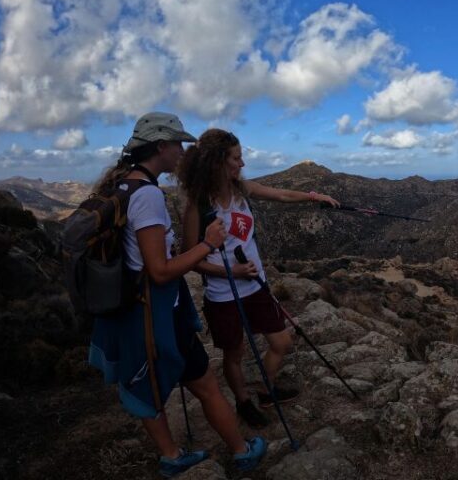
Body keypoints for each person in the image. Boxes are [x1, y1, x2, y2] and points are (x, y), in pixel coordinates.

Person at [87, 113, 267, 478]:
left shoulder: (124, 185)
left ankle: (171, 455)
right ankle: (242, 451)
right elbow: (160, 270)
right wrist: (207, 244)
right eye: (178, 145)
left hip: (131, 310)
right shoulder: (148, 196)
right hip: (156, 313)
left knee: (144, 385)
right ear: (160, 147)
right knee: (206, 386)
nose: (183, 153)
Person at [177, 129, 339, 428]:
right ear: (217, 162)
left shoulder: (241, 190)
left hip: (256, 285)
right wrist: (231, 272)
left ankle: (266, 390)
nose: (242, 164)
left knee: (281, 342)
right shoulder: (198, 206)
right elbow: (191, 260)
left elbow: (281, 194)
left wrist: (314, 197)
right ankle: (243, 402)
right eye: (236, 158)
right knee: (234, 353)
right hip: (223, 294)